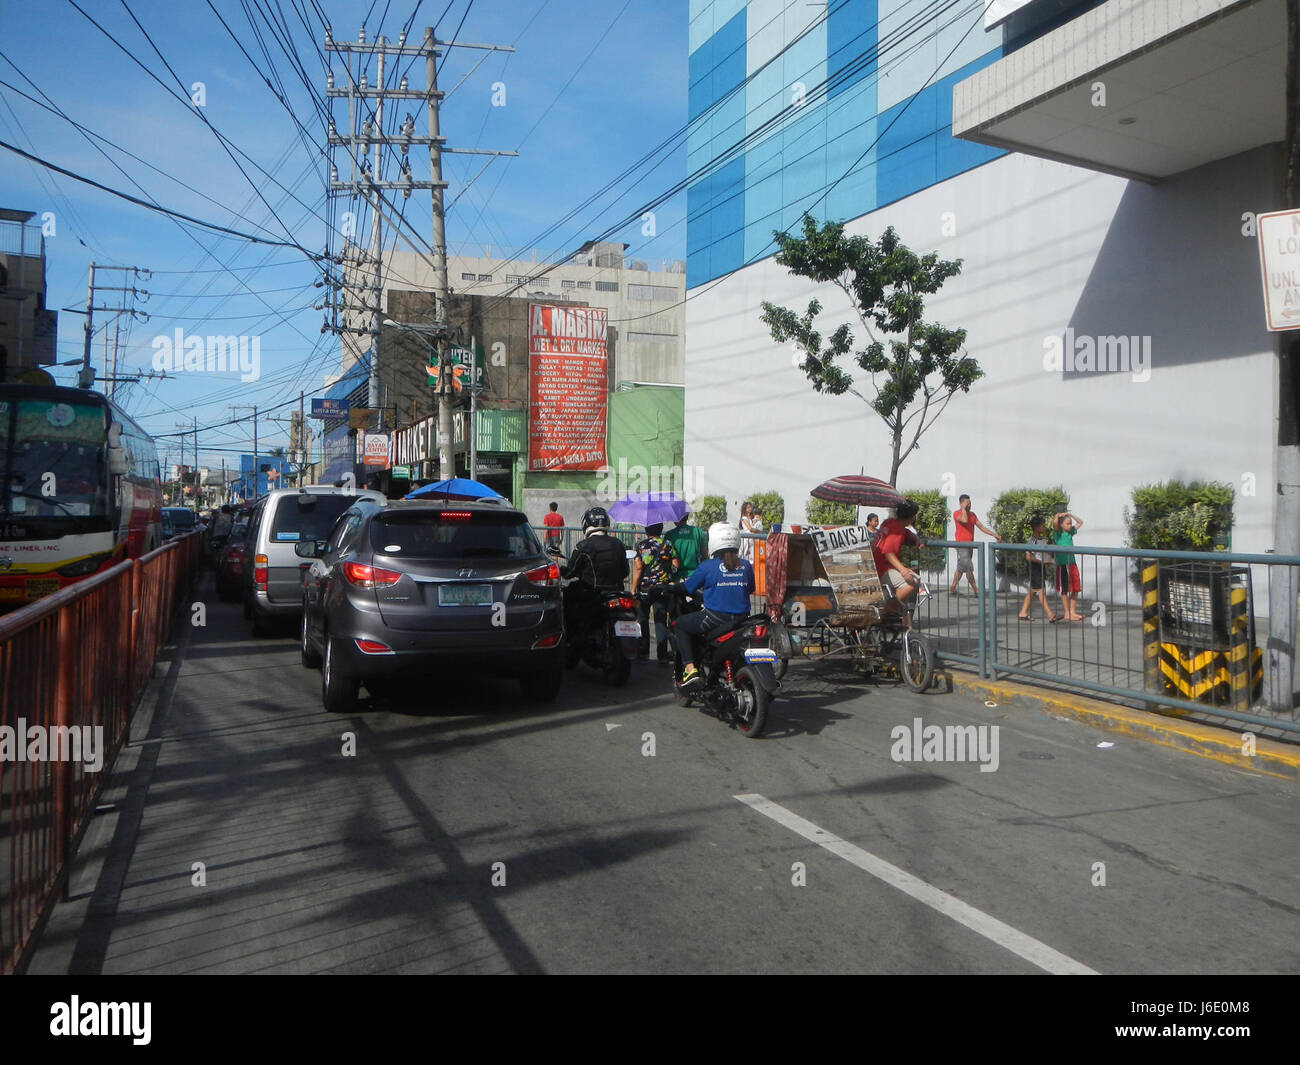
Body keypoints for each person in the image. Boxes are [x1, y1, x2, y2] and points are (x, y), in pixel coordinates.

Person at [674, 523, 754, 689]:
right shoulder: (746, 565)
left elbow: (687, 587)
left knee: (681, 624)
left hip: (715, 619)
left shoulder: (707, 566)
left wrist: (667, 588)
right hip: (742, 621)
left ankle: (690, 669)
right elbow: (750, 588)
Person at [562, 506, 630, 643]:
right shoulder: (618, 544)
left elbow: (570, 572)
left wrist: (560, 569)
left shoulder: (583, 546)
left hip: (591, 593)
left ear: (586, 524)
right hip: (616, 592)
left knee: (566, 597)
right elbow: (625, 571)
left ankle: (570, 640)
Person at [632, 522, 679, 663]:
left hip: (645, 587)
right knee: (660, 619)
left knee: (642, 618)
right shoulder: (668, 544)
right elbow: (676, 565)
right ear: (661, 529)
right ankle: (662, 655)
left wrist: (633, 589)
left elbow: (638, 568)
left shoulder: (641, 545)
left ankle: (643, 650)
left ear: (646, 530)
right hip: (663, 587)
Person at [872, 500, 926, 611]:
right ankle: (885, 611)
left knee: (905, 587)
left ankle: (900, 617)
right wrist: (903, 570)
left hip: (875, 566)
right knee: (913, 581)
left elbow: (905, 532)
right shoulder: (897, 530)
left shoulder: (889, 522)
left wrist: (915, 538)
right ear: (912, 517)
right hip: (882, 569)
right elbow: (888, 552)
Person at [949, 494, 1000, 595]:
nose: (969, 505)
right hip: (961, 546)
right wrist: (963, 509)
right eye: (967, 503)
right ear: (961, 504)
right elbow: (964, 520)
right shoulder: (957, 513)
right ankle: (976, 590)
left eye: (970, 503)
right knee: (968, 568)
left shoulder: (972, 515)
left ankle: (953, 587)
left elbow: (981, 527)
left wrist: (994, 534)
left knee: (961, 568)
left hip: (970, 546)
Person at [1017, 515, 1059, 622]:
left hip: (1040, 568)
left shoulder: (1042, 540)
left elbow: (1042, 554)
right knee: (1041, 591)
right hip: (1034, 569)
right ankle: (1050, 615)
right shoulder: (1032, 541)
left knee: (1033, 590)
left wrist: (1048, 560)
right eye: (1043, 526)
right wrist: (1044, 561)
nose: (1045, 528)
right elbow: (1028, 557)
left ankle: (1023, 612)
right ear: (1036, 528)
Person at [1051, 509, 1085, 621]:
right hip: (1063, 565)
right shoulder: (1058, 534)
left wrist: (1070, 514)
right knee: (1064, 589)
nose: (1070, 525)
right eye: (1068, 523)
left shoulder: (1070, 533)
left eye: (1070, 523)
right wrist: (1058, 514)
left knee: (1076, 588)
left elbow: (1080, 522)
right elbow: (1054, 523)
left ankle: (1072, 612)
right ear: (1061, 525)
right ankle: (1067, 613)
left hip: (1072, 564)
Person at [665, 514, 709, 579]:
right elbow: (705, 555)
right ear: (687, 517)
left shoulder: (669, 535)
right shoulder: (698, 531)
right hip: (695, 576)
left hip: (676, 578)